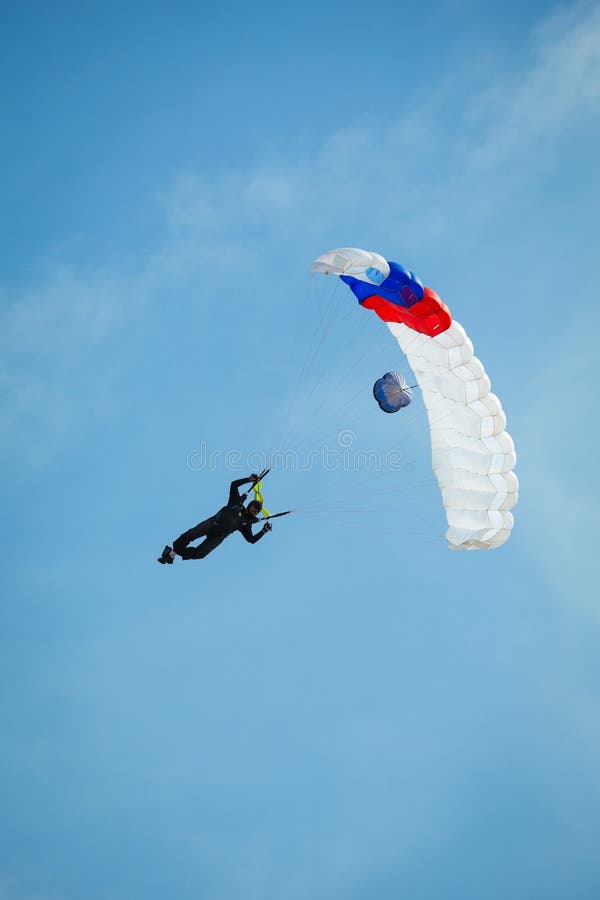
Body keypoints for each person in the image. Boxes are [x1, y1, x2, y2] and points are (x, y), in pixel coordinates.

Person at [158, 475, 272, 564]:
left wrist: (263, 531)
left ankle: (172, 553)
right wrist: (248, 479)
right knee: (190, 535)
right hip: (212, 523)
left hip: (218, 537)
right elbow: (234, 484)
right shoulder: (237, 503)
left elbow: (251, 539)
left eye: (258, 510)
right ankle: (172, 553)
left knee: (200, 554)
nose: (256, 510)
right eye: (255, 507)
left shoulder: (247, 523)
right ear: (250, 505)